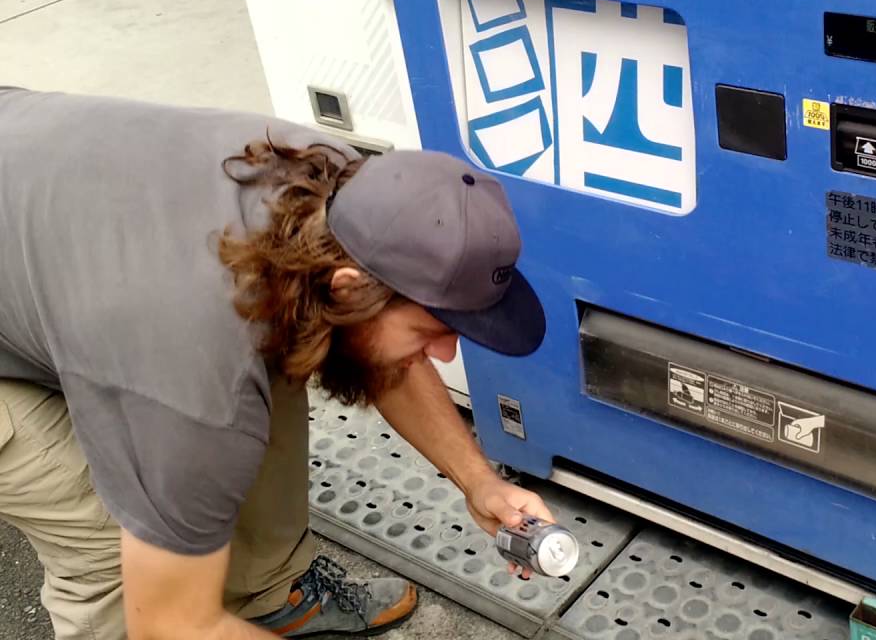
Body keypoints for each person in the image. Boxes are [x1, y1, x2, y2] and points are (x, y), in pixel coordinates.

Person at [0, 87, 553, 639]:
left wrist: (480, 482)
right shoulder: (196, 380)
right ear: (348, 288)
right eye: (433, 331)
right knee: (111, 544)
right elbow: (169, 626)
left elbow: (385, 353)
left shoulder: (347, 191)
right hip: (81, 311)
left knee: (298, 347)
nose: (447, 353)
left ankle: (267, 597)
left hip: (62, 233)